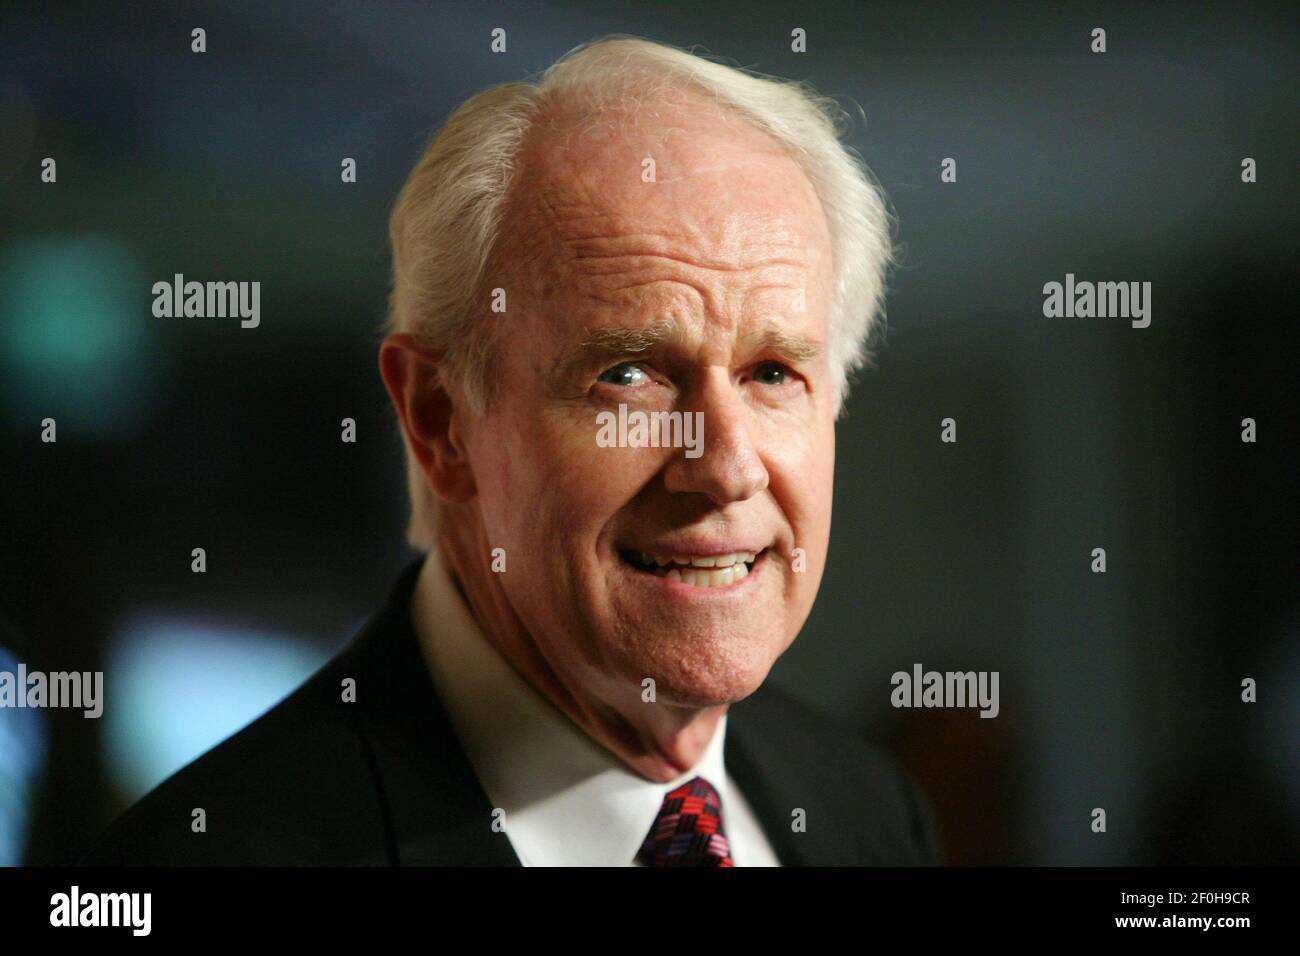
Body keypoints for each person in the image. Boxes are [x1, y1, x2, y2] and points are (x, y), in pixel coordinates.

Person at [85, 36, 942, 867]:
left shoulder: (867, 809)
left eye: (772, 372)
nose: (724, 465)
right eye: (631, 373)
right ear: (438, 419)